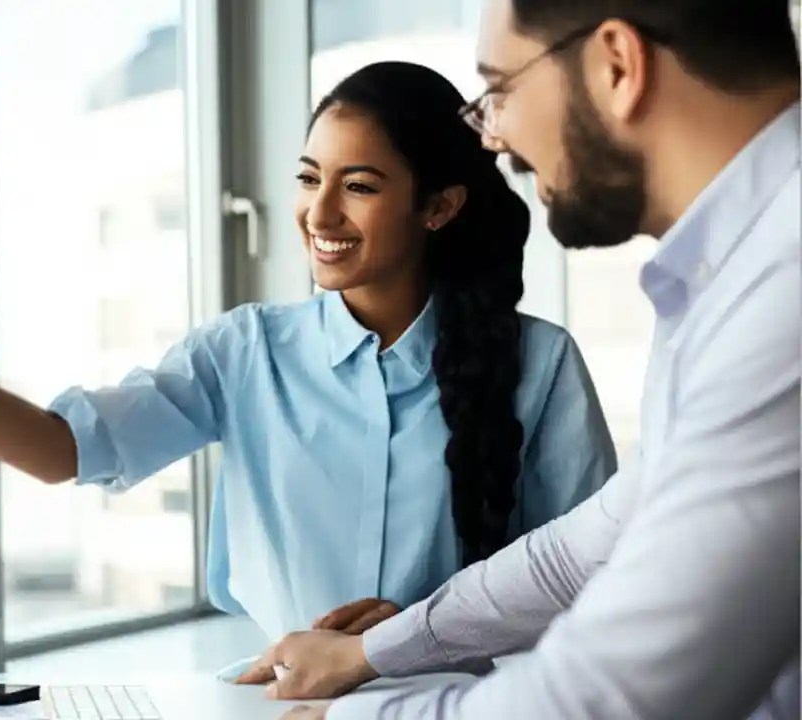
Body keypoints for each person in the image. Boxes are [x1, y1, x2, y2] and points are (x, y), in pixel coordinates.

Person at [0, 61, 616, 679]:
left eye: (359, 185)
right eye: (310, 177)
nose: (318, 212)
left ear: (439, 206)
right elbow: (64, 450)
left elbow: (592, 586)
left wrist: (415, 637)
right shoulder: (244, 353)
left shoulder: (539, 366)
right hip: (278, 707)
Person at [263, 1, 802, 719]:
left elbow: (606, 699)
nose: (496, 140)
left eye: (501, 91)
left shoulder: (782, 291)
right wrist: (372, 652)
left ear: (617, 64)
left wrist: (350, 719)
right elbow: (589, 547)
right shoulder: (730, 275)